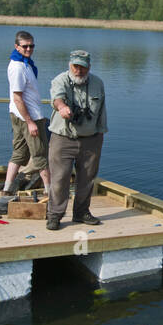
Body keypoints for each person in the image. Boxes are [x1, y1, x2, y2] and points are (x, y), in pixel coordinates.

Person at [46, 49, 107, 231]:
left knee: (87, 179)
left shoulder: (98, 83)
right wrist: (63, 107)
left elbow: (102, 111)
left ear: (89, 66)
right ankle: (55, 215)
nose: (78, 70)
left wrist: (100, 134)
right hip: (63, 138)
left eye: (82, 67)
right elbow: (57, 98)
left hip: (91, 139)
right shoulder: (60, 80)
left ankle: (81, 213)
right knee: (59, 179)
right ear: (69, 65)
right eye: (75, 66)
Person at [2, 31, 49, 195]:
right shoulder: (17, 67)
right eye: (25, 46)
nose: (29, 49)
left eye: (31, 46)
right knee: (40, 154)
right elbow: (17, 98)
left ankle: (7, 189)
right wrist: (30, 122)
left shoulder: (25, 63)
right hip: (28, 117)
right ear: (17, 46)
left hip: (21, 115)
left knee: (19, 154)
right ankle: (50, 191)